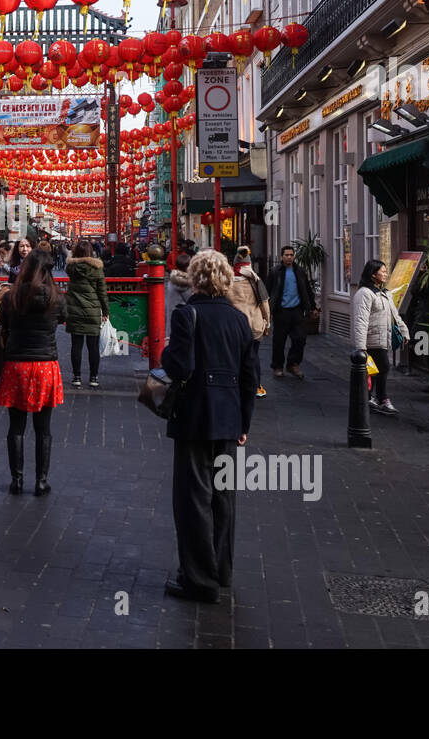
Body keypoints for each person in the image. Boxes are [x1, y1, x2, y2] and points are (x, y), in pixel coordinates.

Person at [160, 250, 257, 604]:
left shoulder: (188, 315)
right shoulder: (239, 320)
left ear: (197, 277)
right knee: (223, 499)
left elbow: (180, 367)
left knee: (194, 497)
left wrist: (167, 354)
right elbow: (250, 377)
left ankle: (199, 579)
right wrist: (244, 421)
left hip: (196, 416)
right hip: (229, 418)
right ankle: (221, 569)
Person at [0, 249, 65, 496]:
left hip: (16, 364)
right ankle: (41, 481)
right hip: (46, 365)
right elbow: (63, 318)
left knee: (16, 427)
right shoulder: (55, 298)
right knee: (43, 429)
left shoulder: (11, 297)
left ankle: (16, 480)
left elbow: (4, 324)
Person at [350, 260, 409, 415]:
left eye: (385, 271)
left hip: (383, 339)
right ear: (373, 274)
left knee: (375, 370)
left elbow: (394, 315)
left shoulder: (385, 293)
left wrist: (404, 331)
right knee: (382, 367)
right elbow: (360, 320)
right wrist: (361, 347)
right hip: (370, 340)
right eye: (382, 271)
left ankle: (370, 398)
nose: (385, 274)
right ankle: (382, 399)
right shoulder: (364, 293)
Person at [265, 244, 315, 380]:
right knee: (279, 341)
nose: (289, 257)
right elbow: (267, 291)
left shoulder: (300, 271)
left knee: (300, 339)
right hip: (281, 311)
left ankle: (293, 364)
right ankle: (278, 367)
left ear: (294, 256)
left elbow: (308, 290)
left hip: (297, 310)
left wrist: (312, 307)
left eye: (291, 255)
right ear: (282, 257)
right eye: (286, 255)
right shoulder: (275, 271)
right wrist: (266, 309)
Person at [64, 240, 109, 389]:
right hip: (93, 310)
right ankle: (93, 377)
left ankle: (76, 377)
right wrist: (105, 310)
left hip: (74, 310)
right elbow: (102, 292)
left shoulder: (71, 268)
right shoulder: (97, 268)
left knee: (76, 345)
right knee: (93, 346)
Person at [227, 248, 271, 399]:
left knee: (234, 357)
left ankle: (236, 385)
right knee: (253, 356)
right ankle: (256, 386)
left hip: (234, 327)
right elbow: (265, 304)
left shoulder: (228, 281)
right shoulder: (256, 280)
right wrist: (268, 322)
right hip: (254, 325)